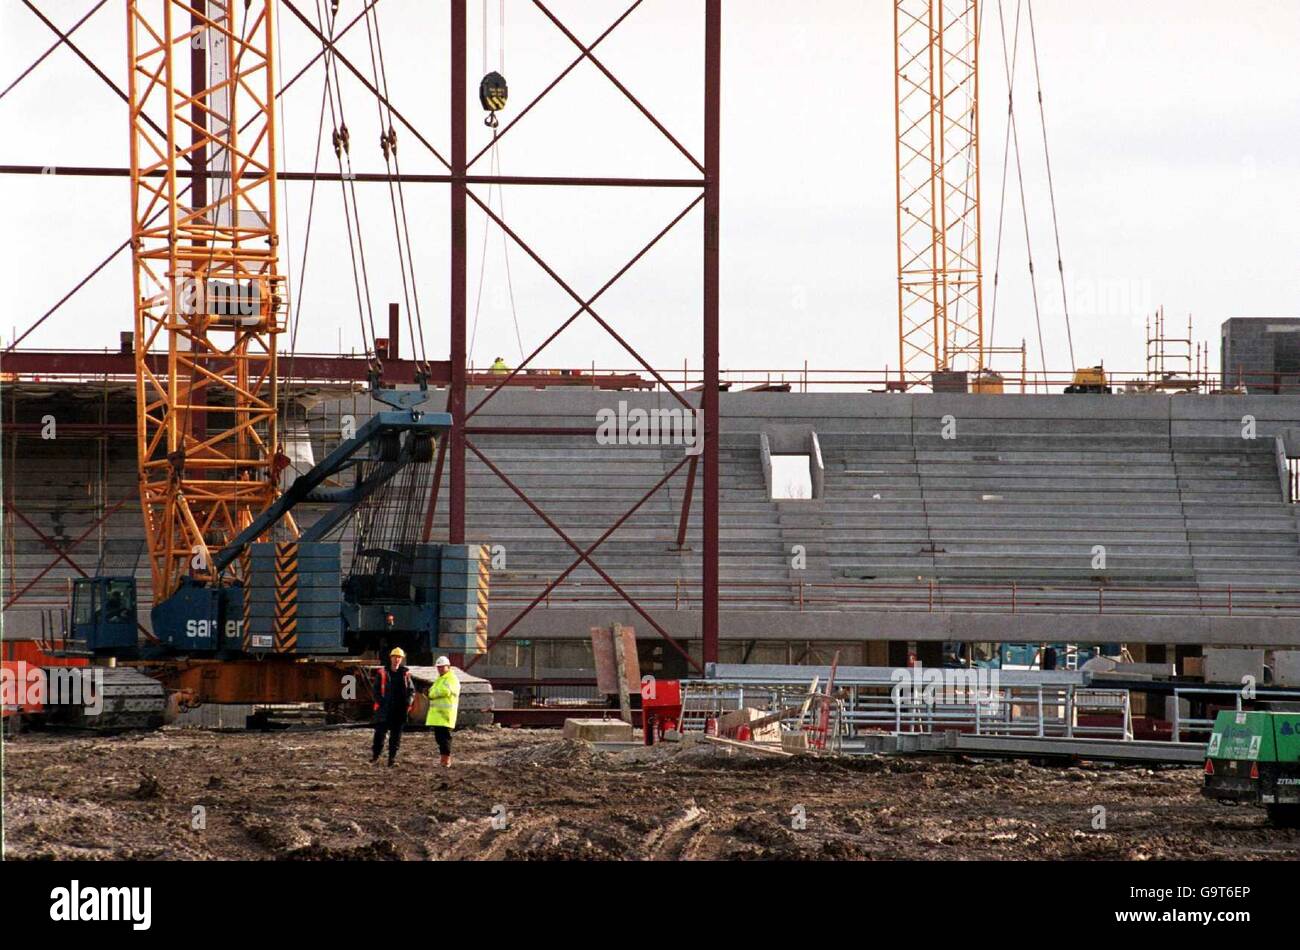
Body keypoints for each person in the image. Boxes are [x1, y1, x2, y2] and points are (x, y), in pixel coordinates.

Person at [371, 647, 416, 767]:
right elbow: (375, 691)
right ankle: (376, 756)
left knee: (396, 737)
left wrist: (408, 702)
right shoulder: (382, 673)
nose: (397, 660)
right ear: (391, 658)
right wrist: (381, 702)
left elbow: (411, 691)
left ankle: (392, 759)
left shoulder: (405, 674)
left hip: (399, 710)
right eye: (395, 657)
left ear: (401, 659)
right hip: (385, 710)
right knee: (379, 735)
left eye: (399, 658)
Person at [425, 655, 461, 768]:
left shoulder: (451, 679)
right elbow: (432, 691)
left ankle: (446, 760)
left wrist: (433, 693)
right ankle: (443, 759)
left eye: (442, 667)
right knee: (439, 738)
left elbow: (444, 691)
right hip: (438, 716)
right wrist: (432, 692)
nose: (440, 669)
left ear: (448, 667)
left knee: (445, 738)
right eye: (438, 667)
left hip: (445, 715)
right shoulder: (440, 679)